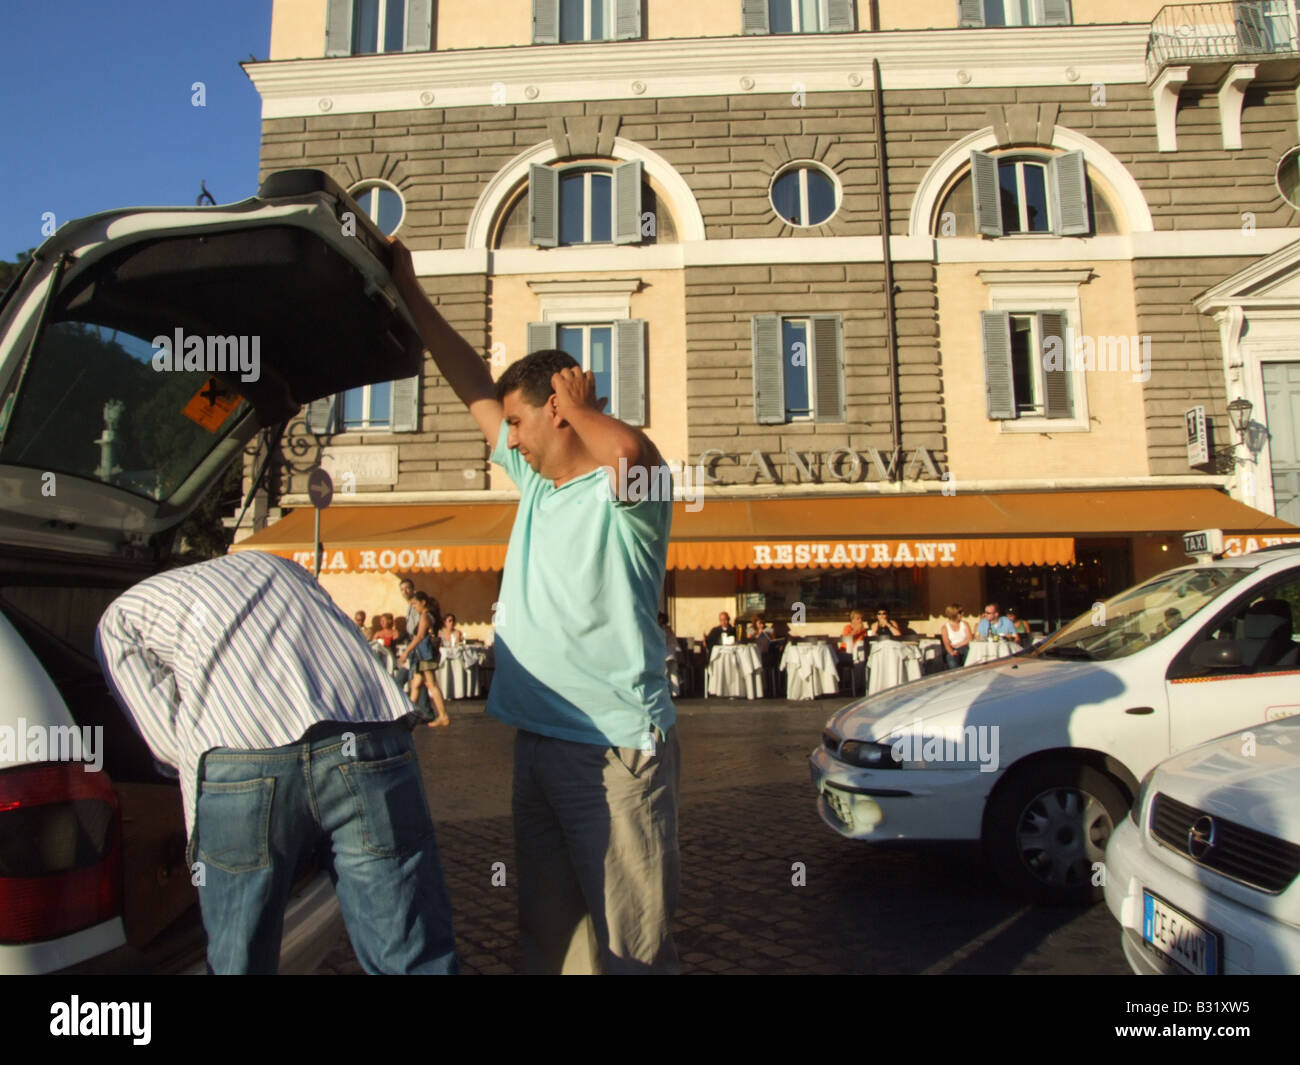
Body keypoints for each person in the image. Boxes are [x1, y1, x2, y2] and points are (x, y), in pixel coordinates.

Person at [389, 237, 679, 975]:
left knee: (629, 941)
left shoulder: (629, 499)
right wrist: (413, 296)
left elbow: (637, 459)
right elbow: (471, 386)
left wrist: (585, 407)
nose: (505, 436)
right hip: (539, 741)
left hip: (615, 746)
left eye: (519, 422)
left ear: (558, 412)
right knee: (550, 939)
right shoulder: (537, 483)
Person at [94, 550, 458, 975]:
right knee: (411, 955)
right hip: (366, 734)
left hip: (244, 757)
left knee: (239, 961)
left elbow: (164, 739)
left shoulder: (122, 615)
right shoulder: (274, 562)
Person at [396, 591, 451, 728]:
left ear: (423, 602)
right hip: (421, 656)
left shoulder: (425, 616)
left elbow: (419, 636)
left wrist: (406, 652)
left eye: (415, 603)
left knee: (431, 684)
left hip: (425, 655)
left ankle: (443, 715)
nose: (413, 606)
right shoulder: (427, 616)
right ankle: (408, 716)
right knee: (416, 684)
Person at [941, 603, 973, 669]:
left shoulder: (964, 624)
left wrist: (958, 645)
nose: (962, 614)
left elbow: (970, 638)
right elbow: (946, 643)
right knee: (951, 659)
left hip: (965, 647)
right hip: (954, 649)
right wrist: (951, 652)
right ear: (954, 614)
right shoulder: (945, 627)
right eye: (960, 612)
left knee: (968, 654)